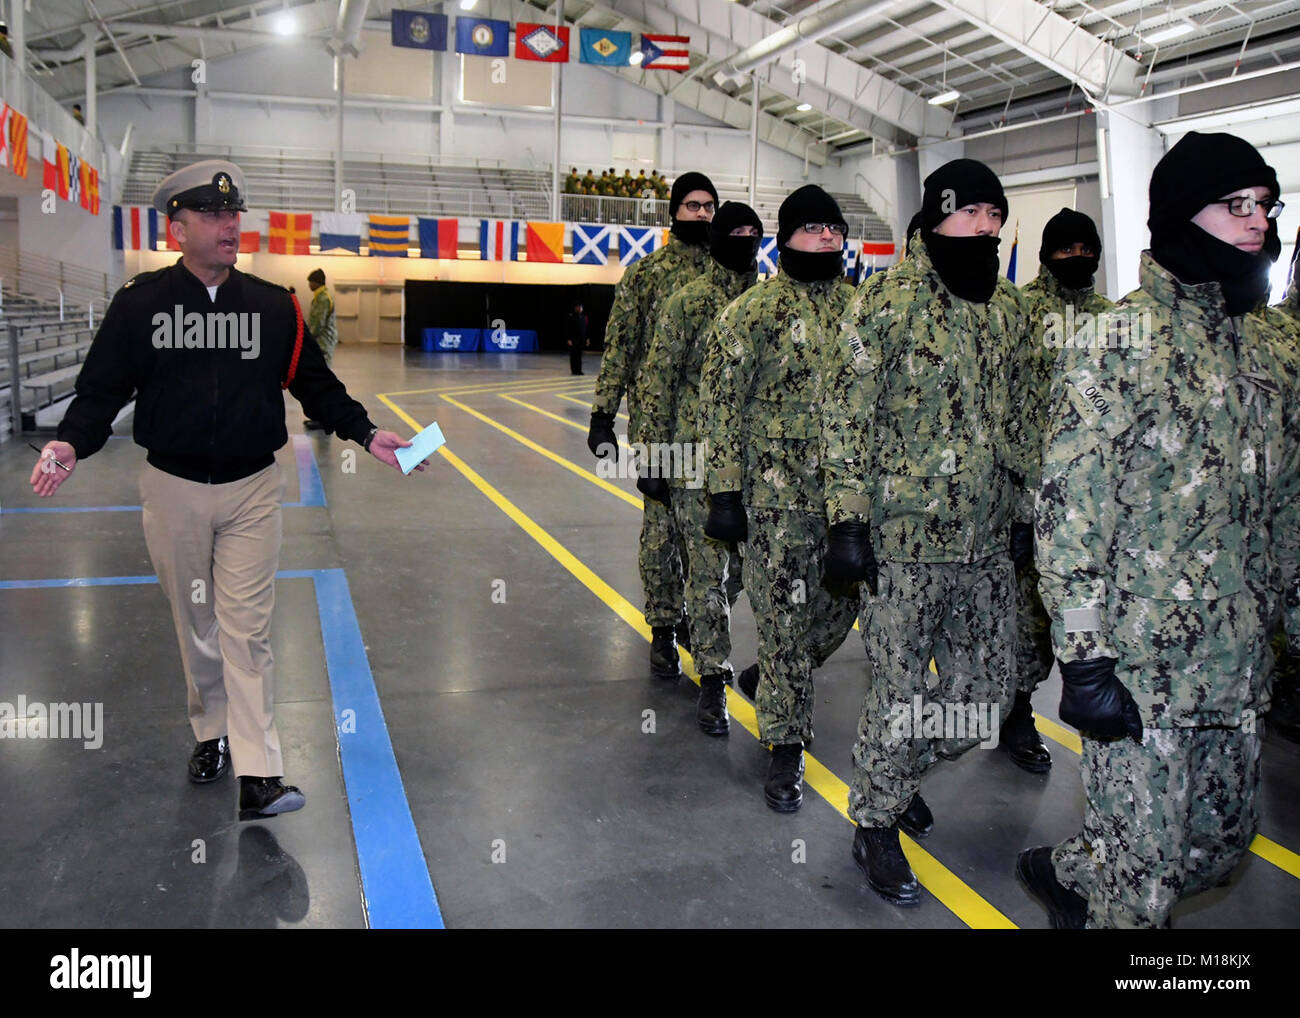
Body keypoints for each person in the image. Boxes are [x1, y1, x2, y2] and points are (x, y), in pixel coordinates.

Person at [29, 160, 422, 823]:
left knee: (248, 631)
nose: (229, 225)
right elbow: (101, 390)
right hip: (172, 488)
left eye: (234, 214)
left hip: (251, 490)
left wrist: (366, 431)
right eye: (212, 216)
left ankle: (260, 774)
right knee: (197, 626)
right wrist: (71, 441)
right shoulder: (141, 306)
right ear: (176, 227)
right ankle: (210, 733)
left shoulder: (274, 307)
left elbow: (315, 384)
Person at [1020, 132, 1299, 929]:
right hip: (1142, 671)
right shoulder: (1116, 342)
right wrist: (1082, 659)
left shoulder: (1278, 347)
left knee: (1215, 850)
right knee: (1142, 895)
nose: (1256, 224)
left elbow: (1290, 500)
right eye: (1236, 205)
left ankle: (1073, 871)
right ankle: (1103, 888)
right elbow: (1069, 514)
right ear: (1182, 217)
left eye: (1265, 207)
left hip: (1241, 662)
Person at [822, 159, 1027, 905]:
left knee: (986, 698)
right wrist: (846, 521)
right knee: (902, 690)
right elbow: (842, 415)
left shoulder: (1008, 309)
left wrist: (1025, 515)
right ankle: (876, 816)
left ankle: (896, 766)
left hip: (985, 543)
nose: (987, 228)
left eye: (996, 216)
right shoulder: (884, 300)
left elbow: (1025, 416)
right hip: (901, 545)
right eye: (972, 214)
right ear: (937, 216)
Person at [700, 185, 860, 810]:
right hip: (776, 504)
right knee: (784, 623)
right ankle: (786, 746)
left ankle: (773, 681)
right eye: (813, 227)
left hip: (847, 505)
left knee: (837, 615)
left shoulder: (864, 310)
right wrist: (725, 491)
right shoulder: (750, 313)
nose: (827, 238)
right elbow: (721, 406)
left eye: (835, 228)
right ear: (786, 237)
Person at [638, 202, 763, 734]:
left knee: (740, 577)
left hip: (761, 468)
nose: (745, 238)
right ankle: (713, 677)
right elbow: (659, 379)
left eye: (752, 232)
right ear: (714, 238)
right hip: (694, 461)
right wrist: (652, 457)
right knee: (707, 572)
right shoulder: (688, 303)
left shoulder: (769, 302)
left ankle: (699, 625)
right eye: (733, 231)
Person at [588, 172, 717, 678]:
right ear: (673, 212)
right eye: (692, 206)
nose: (702, 215)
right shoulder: (646, 275)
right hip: (659, 427)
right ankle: (664, 627)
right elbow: (620, 346)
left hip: (715, 431)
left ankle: (699, 620)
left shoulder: (732, 275)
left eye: (709, 207)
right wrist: (603, 415)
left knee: (711, 536)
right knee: (662, 532)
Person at [1001, 209, 1114, 773]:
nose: (1076, 259)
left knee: (1064, 619)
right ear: (1045, 255)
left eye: (1084, 249)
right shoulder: (1020, 312)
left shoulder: (1111, 321)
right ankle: (1016, 709)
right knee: (1024, 614)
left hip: (1087, 505)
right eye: (1064, 250)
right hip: (1025, 493)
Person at [302, 268, 338, 430]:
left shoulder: (323, 298)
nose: (309, 284)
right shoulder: (320, 297)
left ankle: (325, 420)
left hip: (323, 343)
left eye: (311, 281)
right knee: (318, 381)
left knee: (322, 383)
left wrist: (306, 340)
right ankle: (320, 417)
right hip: (321, 343)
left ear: (317, 282)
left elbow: (318, 324)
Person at [566, 301, 588, 375]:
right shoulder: (571, 317)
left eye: (581, 307)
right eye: (578, 307)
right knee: (573, 355)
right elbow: (568, 328)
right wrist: (568, 339)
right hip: (573, 339)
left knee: (579, 356)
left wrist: (587, 338)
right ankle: (573, 370)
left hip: (581, 339)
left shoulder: (584, 317)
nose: (580, 309)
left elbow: (586, 328)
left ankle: (579, 370)